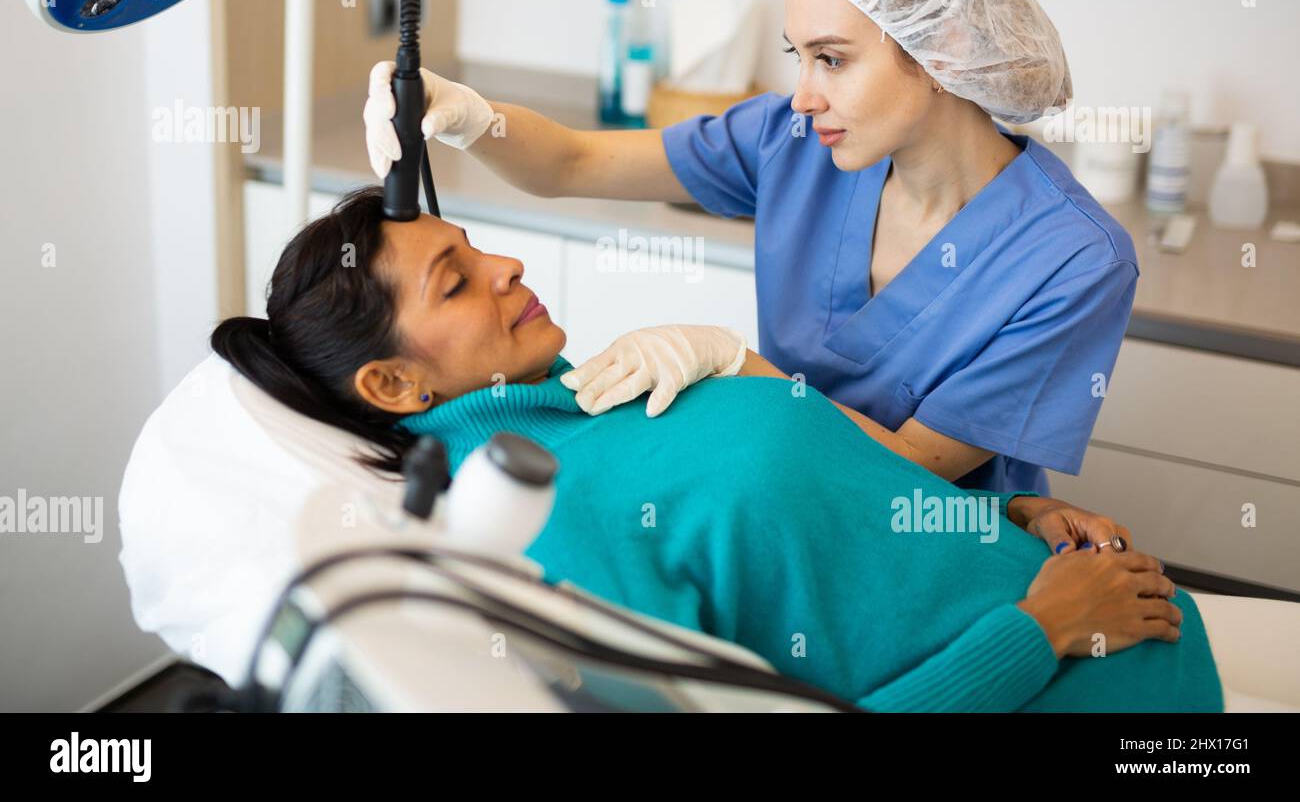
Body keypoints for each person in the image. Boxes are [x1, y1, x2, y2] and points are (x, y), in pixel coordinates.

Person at [210, 189, 1228, 712]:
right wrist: (1038, 631)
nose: (505, 262)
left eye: (476, 246)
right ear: (394, 386)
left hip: (1106, 612)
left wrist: (1008, 517)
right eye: (455, 279)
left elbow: (824, 515)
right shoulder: (538, 519)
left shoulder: (595, 390)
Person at [361, 0, 1137, 499]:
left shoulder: (1071, 259)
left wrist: (739, 364)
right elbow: (573, 161)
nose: (801, 96)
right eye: (798, 57)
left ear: (945, 51)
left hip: (927, 544)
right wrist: (470, 118)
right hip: (774, 490)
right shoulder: (792, 144)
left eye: (832, 60)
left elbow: (914, 470)